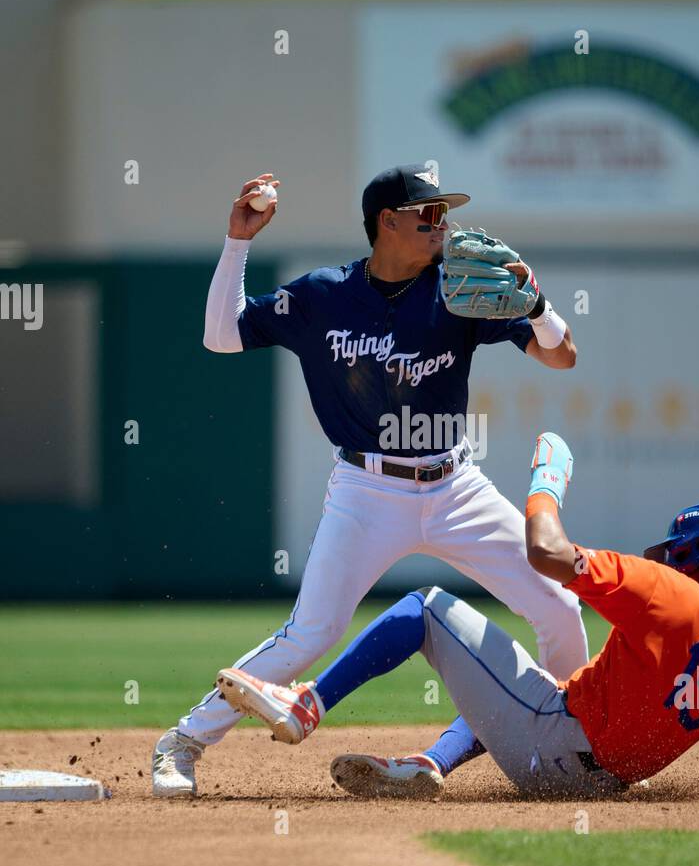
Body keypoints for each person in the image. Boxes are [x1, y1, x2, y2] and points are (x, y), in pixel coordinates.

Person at [152, 168, 588, 797]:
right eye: (428, 213)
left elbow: (562, 355)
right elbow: (220, 337)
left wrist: (539, 308)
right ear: (387, 221)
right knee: (312, 632)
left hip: (454, 486)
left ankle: (570, 740)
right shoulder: (322, 296)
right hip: (367, 491)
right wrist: (237, 241)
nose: (443, 225)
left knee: (559, 606)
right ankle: (182, 741)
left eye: (443, 213)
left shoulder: (459, 289)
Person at [216, 433, 699, 802]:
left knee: (426, 608)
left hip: (550, 750)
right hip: (601, 779)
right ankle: (432, 762)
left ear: (693, 557)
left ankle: (309, 703)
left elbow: (546, 553)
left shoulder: (666, 590)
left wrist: (547, 478)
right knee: (515, 679)